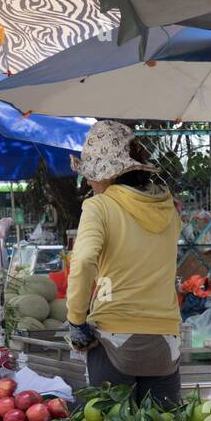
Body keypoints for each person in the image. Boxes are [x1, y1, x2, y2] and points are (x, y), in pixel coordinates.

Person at [67, 120, 183, 405]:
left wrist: (76, 320)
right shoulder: (168, 207)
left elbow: (82, 262)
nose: (90, 182)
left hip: (114, 336)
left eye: (91, 175)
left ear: (105, 174)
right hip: (165, 342)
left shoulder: (100, 206)